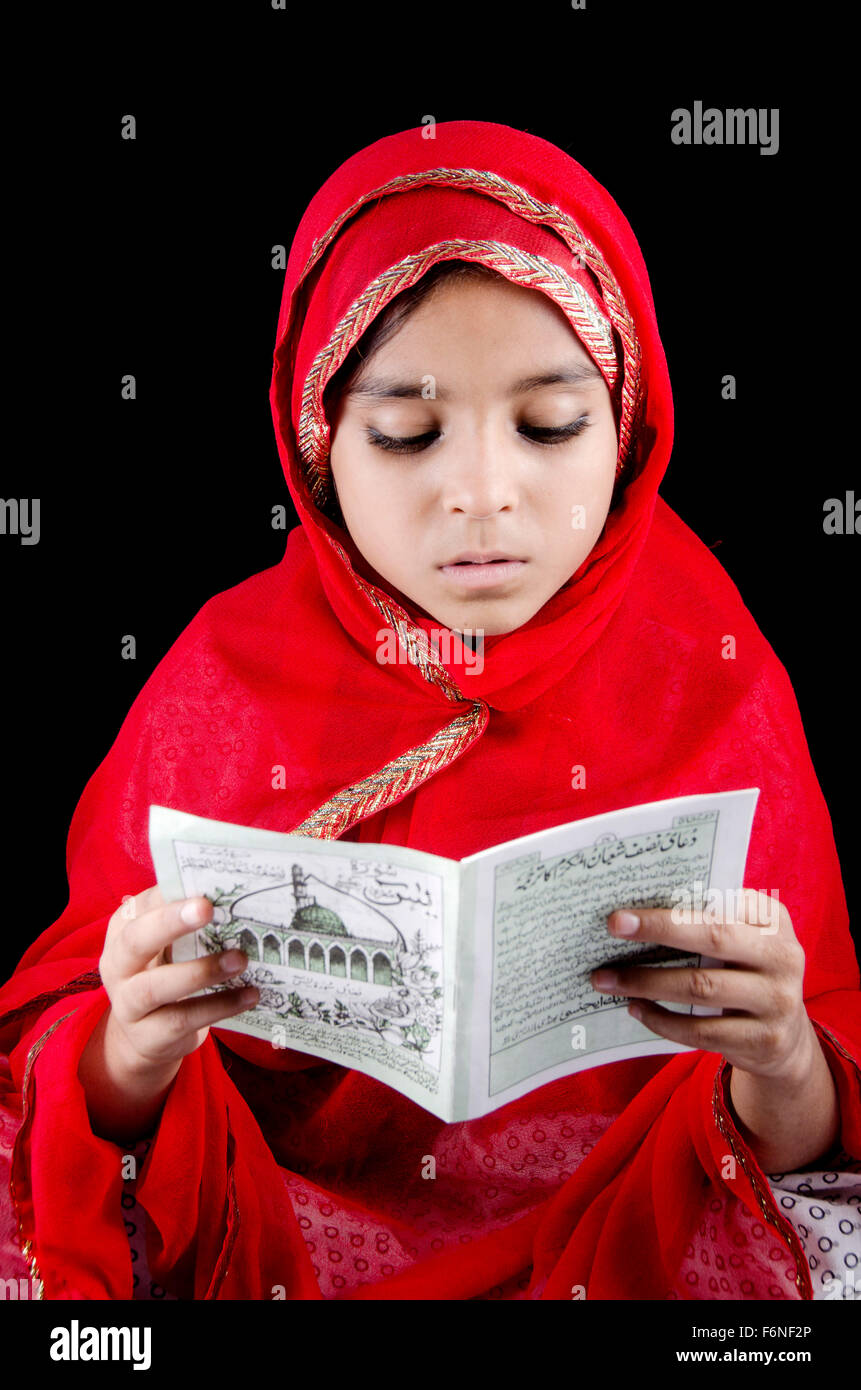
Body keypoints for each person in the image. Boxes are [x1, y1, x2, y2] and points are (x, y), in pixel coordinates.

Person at [0, 119, 858, 1302]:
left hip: (634, 1248)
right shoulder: (224, 683)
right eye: (406, 432)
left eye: (551, 425)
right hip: (283, 1247)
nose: (484, 495)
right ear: (316, 445)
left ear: (630, 423)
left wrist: (783, 1061)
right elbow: (66, 1073)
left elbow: (814, 1129)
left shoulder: (711, 675)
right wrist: (128, 1052)